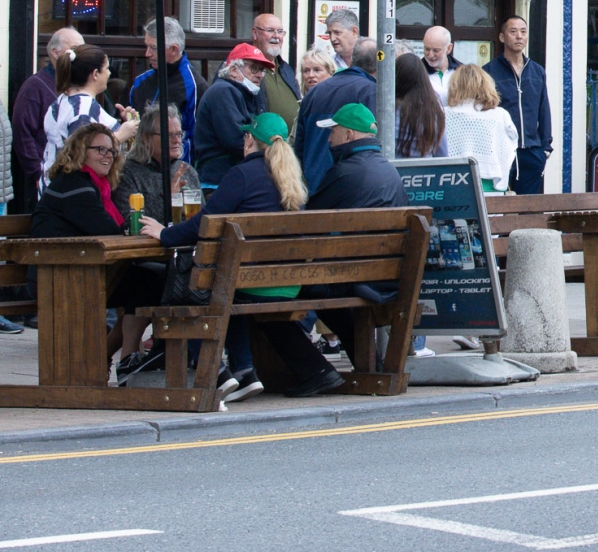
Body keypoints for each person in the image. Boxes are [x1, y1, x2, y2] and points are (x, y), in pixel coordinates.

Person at [141, 111, 309, 403]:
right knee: (225, 291)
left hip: (249, 283)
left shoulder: (242, 174)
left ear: (249, 141)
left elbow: (204, 223)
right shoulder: (290, 177)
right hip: (287, 283)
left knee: (187, 297)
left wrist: (164, 234)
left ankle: (219, 373)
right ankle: (245, 372)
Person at [295, 101, 406, 397]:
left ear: (348, 135)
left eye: (333, 133)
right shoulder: (389, 171)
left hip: (358, 280)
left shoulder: (345, 172)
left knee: (291, 288)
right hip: (388, 277)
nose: (329, 139)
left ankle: (311, 370)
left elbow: (306, 221)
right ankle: (368, 364)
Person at [34, 124, 164, 375]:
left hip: (82, 268)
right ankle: (121, 360)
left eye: (112, 151)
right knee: (149, 281)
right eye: (100, 150)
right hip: (56, 275)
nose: (108, 156)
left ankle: (123, 358)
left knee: (150, 280)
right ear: (80, 151)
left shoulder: (97, 186)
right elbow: (105, 229)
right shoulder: (75, 184)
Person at [10, 26, 82, 213]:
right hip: (46, 181)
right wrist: (37, 173)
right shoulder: (35, 87)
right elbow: (22, 133)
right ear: (55, 53)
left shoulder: (79, 85)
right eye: (75, 48)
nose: (80, 54)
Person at [42, 44, 137, 181]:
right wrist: (121, 135)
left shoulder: (64, 100)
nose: (109, 73)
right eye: (106, 68)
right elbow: (79, 152)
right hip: (76, 192)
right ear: (95, 74)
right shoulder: (83, 110)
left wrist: (124, 124)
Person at [296, 38, 377, 192]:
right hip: (352, 187)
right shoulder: (370, 91)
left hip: (313, 186)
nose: (311, 75)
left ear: (353, 59)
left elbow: (299, 146)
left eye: (317, 70)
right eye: (306, 70)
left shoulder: (313, 93)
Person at [484, 16, 550, 194]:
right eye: (513, 32)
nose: (519, 36)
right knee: (499, 208)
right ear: (502, 37)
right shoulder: (488, 72)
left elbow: (544, 111)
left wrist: (545, 149)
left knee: (529, 210)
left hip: (531, 151)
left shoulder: (537, 71)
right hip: (501, 151)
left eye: (523, 31)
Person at [193, 43, 271, 188]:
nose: (260, 75)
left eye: (262, 70)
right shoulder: (224, 91)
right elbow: (235, 139)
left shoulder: (243, 94)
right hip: (218, 181)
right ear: (234, 70)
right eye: (254, 68)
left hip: (227, 177)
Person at [128, 16, 197, 159]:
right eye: (146, 46)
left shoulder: (194, 86)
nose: (147, 53)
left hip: (176, 169)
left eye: (153, 48)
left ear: (173, 49)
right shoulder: (140, 82)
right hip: (140, 165)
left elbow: (195, 138)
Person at [443, 64, 517, 192]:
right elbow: (509, 150)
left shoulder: (443, 114)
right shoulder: (500, 115)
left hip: (452, 184)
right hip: (491, 187)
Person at [250, 14, 303, 128]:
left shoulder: (286, 69)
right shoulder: (242, 68)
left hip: (290, 144)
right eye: (270, 31)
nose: (276, 36)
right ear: (254, 33)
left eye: (280, 32)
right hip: (262, 143)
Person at [394, 53, 447, 159]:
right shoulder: (433, 109)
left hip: (395, 169)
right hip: (425, 170)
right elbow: (442, 152)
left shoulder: (392, 109)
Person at [420, 25, 461, 105]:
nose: (431, 55)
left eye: (436, 50)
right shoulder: (416, 71)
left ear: (449, 48)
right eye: (427, 49)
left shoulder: (461, 71)